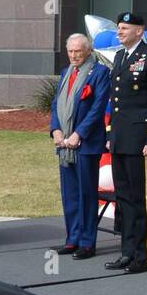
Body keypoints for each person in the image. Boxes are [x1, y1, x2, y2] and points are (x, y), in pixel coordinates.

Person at [105, 11, 147, 273]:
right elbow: (115, 102)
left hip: (141, 140)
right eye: (118, 28)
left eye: (124, 28)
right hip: (121, 138)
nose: (119, 32)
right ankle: (127, 252)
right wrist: (111, 135)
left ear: (139, 31)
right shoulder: (120, 57)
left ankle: (143, 256)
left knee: (142, 199)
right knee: (124, 198)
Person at [49, 33, 110, 259]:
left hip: (86, 145)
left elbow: (97, 108)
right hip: (64, 144)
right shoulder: (66, 73)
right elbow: (56, 103)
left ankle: (87, 242)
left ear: (88, 51)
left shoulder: (100, 73)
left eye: (78, 51)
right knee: (70, 194)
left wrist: (78, 134)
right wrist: (55, 129)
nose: (74, 55)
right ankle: (72, 239)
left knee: (86, 194)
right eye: (71, 51)